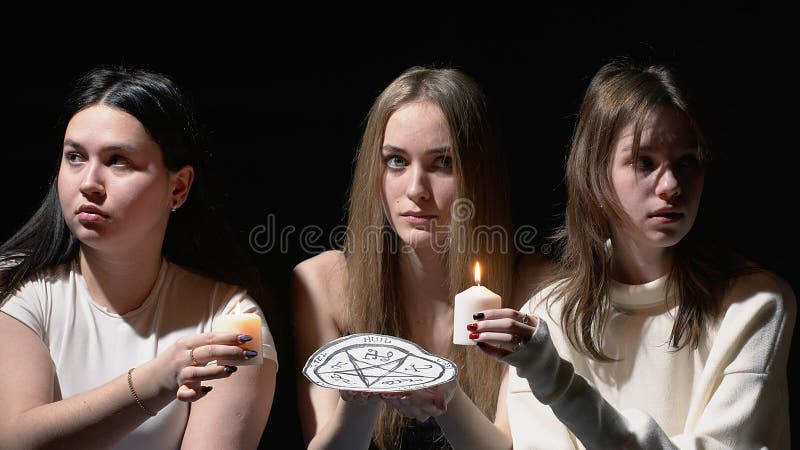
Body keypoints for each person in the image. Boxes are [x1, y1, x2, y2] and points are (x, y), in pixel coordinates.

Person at [469, 59, 796, 448]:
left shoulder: (755, 303)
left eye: (687, 162)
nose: (672, 185)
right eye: (645, 162)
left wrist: (552, 378)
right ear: (596, 173)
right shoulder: (548, 314)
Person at [0, 65, 278, 449]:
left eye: (118, 161)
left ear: (178, 188)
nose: (89, 184)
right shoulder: (17, 289)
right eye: (75, 157)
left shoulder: (233, 321)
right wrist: (154, 382)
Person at [291, 66, 552, 449]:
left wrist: (445, 398)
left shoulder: (536, 286)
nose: (415, 189)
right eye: (396, 161)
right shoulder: (322, 284)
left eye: (443, 162)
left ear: (479, 172)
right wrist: (360, 400)